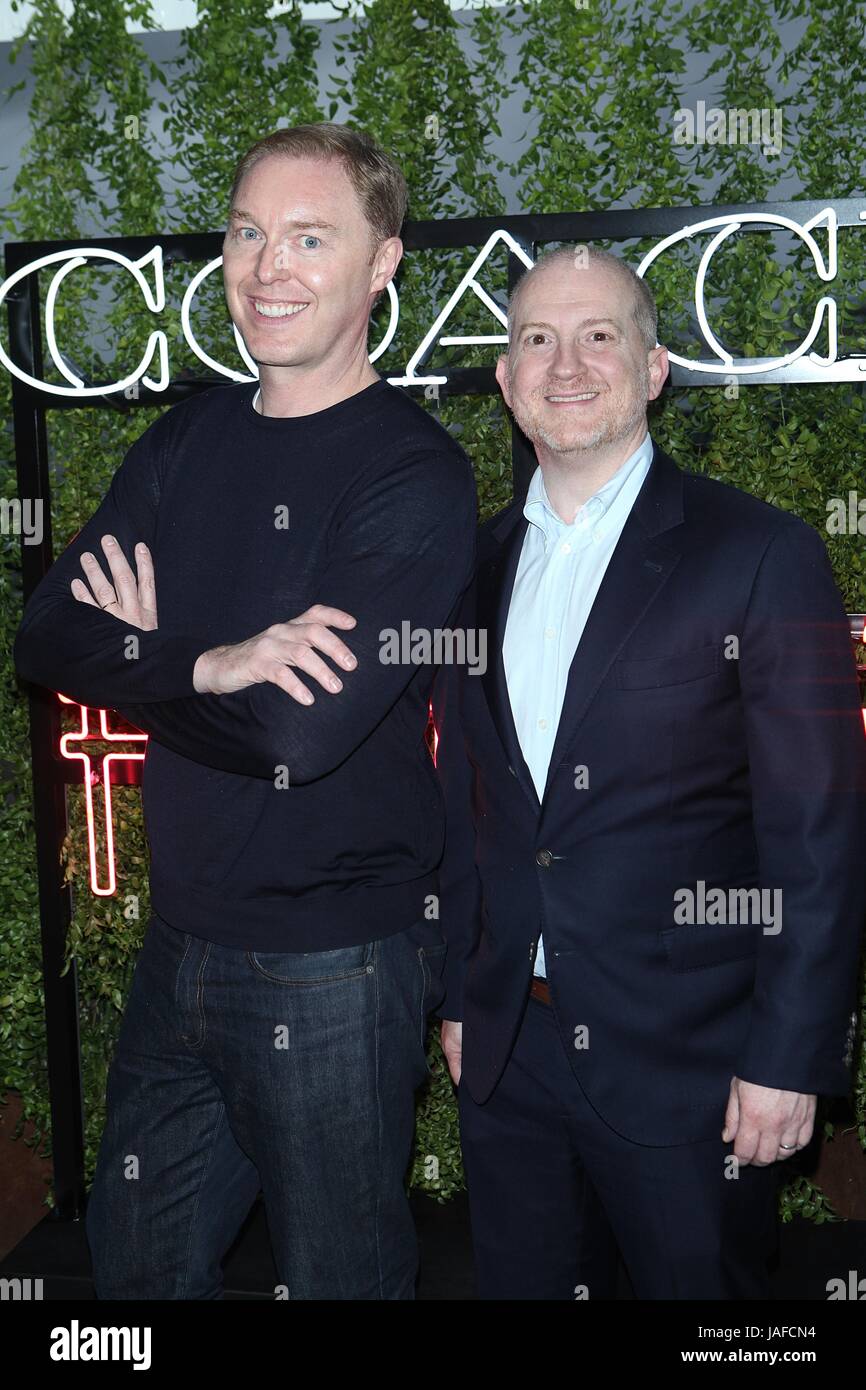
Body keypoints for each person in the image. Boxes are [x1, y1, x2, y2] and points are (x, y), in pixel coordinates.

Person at [14, 123, 477, 1300]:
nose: (267, 265)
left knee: (340, 1281)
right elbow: (45, 637)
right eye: (247, 232)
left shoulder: (409, 472)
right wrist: (210, 662)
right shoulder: (188, 438)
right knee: (137, 1267)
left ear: (381, 264)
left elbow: (297, 736)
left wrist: (146, 662)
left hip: (333, 965)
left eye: (309, 237)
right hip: (181, 945)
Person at [431, 243, 866, 1300]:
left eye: (597, 336)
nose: (564, 363)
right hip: (508, 1057)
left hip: (697, 1070)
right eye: (536, 337)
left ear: (654, 365)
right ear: (504, 375)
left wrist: (787, 1056)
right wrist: (456, 994)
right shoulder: (472, 564)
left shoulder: (758, 554)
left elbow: (818, 833)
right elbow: (468, 808)